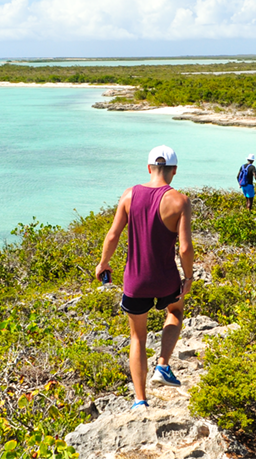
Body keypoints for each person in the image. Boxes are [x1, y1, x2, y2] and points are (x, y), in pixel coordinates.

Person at [95, 145, 194, 411]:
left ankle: (140, 400)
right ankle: (162, 366)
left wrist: (104, 263)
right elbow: (184, 248)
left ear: (149, 168)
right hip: (166, 279)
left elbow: (113, 235)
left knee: (137, 337)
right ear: (173, 171)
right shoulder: (180, 201)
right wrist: (189, 276)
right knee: (175, 311)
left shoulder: (129, 195)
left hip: (135, 281)